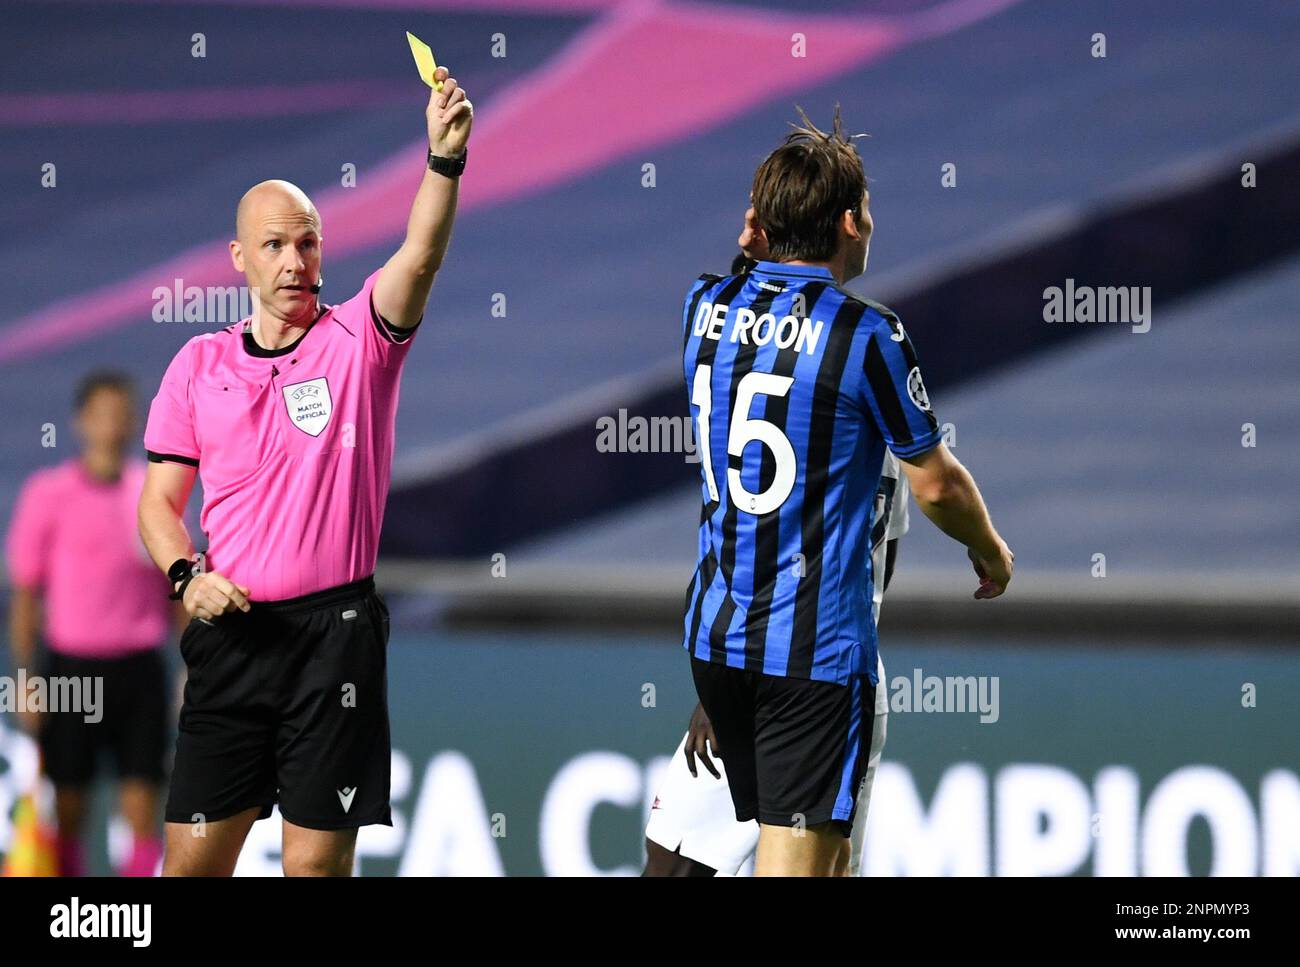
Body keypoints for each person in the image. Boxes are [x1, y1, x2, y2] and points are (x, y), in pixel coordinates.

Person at [136, 65, 472, 877]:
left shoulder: (359, 343)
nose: (295, 259)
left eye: (309, 240)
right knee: (187, 869)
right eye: (276, 244)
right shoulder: (197, 363)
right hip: (232, 638)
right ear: (240, 258)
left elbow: (419, 255)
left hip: (336, 644)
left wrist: (444, 162)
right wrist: (186, 574)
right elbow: (158, 502)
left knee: (315, 870)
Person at [678, 108, 1013, 876]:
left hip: (717, 641)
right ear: (847, 223)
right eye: (865, 210)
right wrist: (989, 550)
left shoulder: (701, 309)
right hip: (813, 656)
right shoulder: (868, 335)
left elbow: (740, 279)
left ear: (756, 225)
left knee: (820, 863)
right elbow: (935, 484)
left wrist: (757, 236)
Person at [6, 372, 181, 876]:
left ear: (134, 423)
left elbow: (178, 588)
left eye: (121, 413)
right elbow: (26, 597)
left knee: (143, 807)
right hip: (70, 671)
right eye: (101, 413)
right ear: (81, 422)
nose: (111, 424)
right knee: (69, 809)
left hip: (140, 673)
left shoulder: (150, 496)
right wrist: (25, 679)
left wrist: (193, 668)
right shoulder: (47, 494)